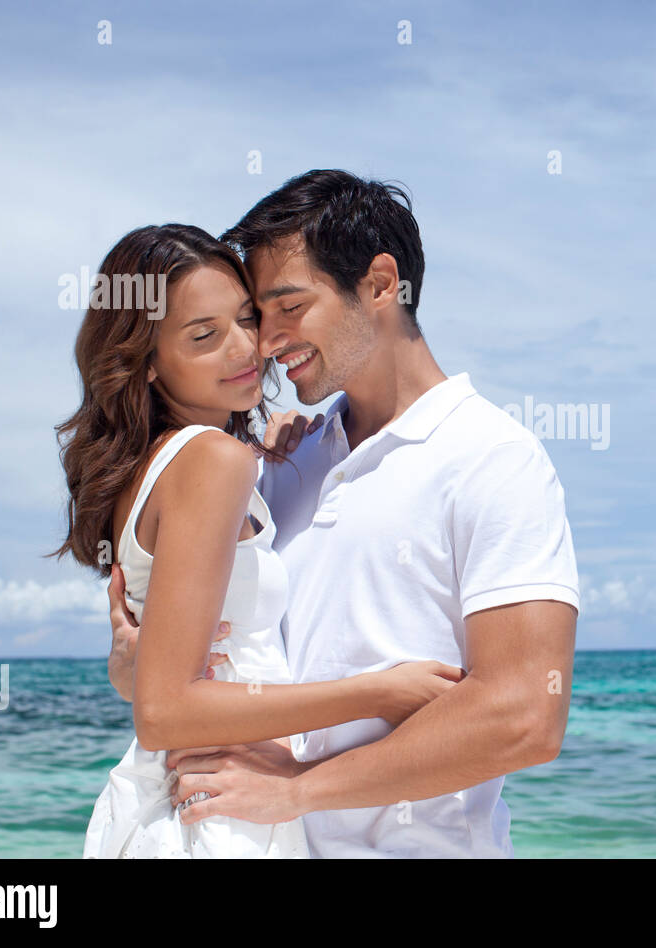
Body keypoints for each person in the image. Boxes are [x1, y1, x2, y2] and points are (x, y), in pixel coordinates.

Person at [107, 170, 581, 857]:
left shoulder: (493, 457)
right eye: (256, 316)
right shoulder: (282, 463)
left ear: (382, 284)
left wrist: (299, 788)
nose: (265, 342)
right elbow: (238, 659)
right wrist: (141, 670)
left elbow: (525, 715)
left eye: (288, 307)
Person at [52, 223, 461, 858]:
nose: (247, 347)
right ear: (149, 361)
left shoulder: (165, 464)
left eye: (247, 318)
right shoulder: (213, 461)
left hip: (182, 792)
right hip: (225, 805)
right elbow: (163, 710)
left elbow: (156, 683)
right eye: (203, 336)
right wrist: (381, 691)